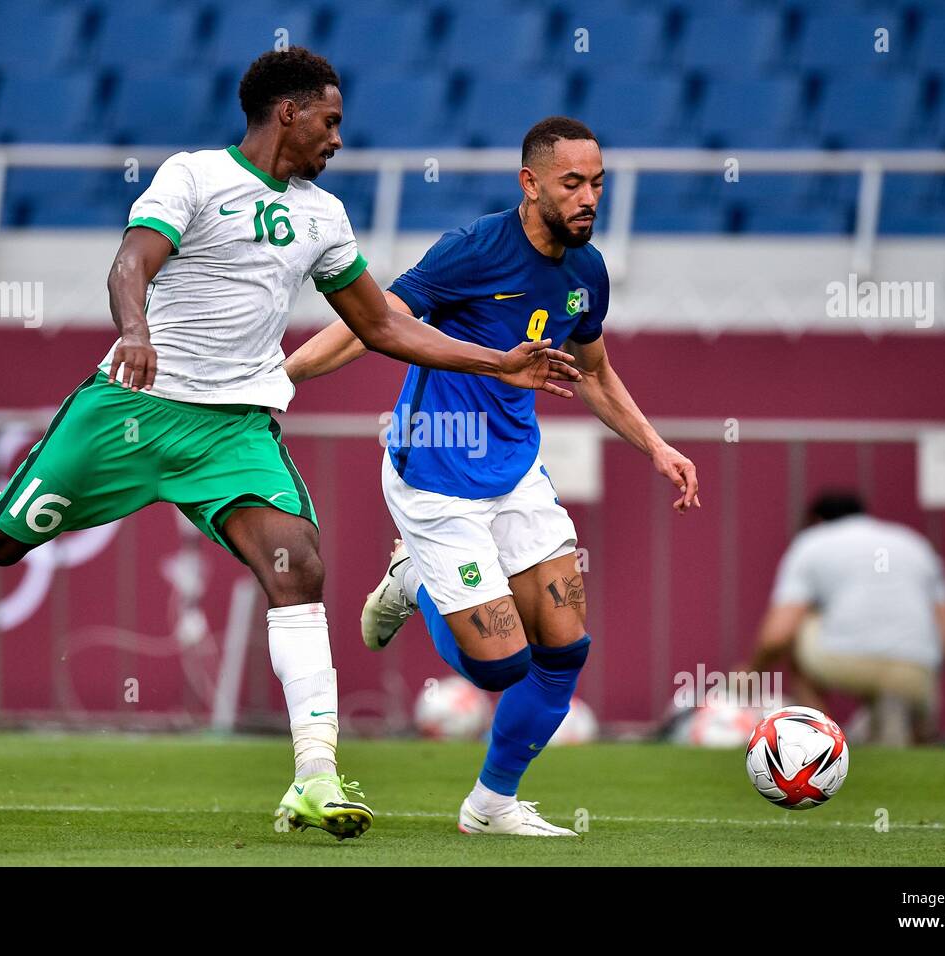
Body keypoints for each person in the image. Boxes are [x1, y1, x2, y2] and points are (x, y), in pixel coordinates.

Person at [0, 48, 580, 839]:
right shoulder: (193, 176)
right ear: (287, 113)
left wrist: (497, 361)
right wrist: (135, 329)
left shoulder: (323, 214)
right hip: (131, 410)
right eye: (330, 122)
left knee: (298, 566)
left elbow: (381, 324)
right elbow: (131, 261)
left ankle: (315, 778)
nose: (338, 139)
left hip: (233, 431)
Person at [286, 116, 701, 835]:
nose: (588, 198)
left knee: (565, 649)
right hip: (435, 473)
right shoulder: (474, 250)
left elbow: (594, 371)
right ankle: (413, 580)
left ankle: (490, 806)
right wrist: (281, 377)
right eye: (572, 183)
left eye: (597, 183)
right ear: (530, 184)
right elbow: (371, 323)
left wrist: (655, 446)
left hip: (515, 473)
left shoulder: (587, 271)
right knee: (499, 667)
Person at [747, 491, 945, 746]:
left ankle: (819, 742)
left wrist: (751, 674)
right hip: (917, 669)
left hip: (847, 663)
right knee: (897, 662)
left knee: (801, 626)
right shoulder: (915, 544)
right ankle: (901, 718)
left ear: (817, 521)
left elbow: (778, 636)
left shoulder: (811, 542)